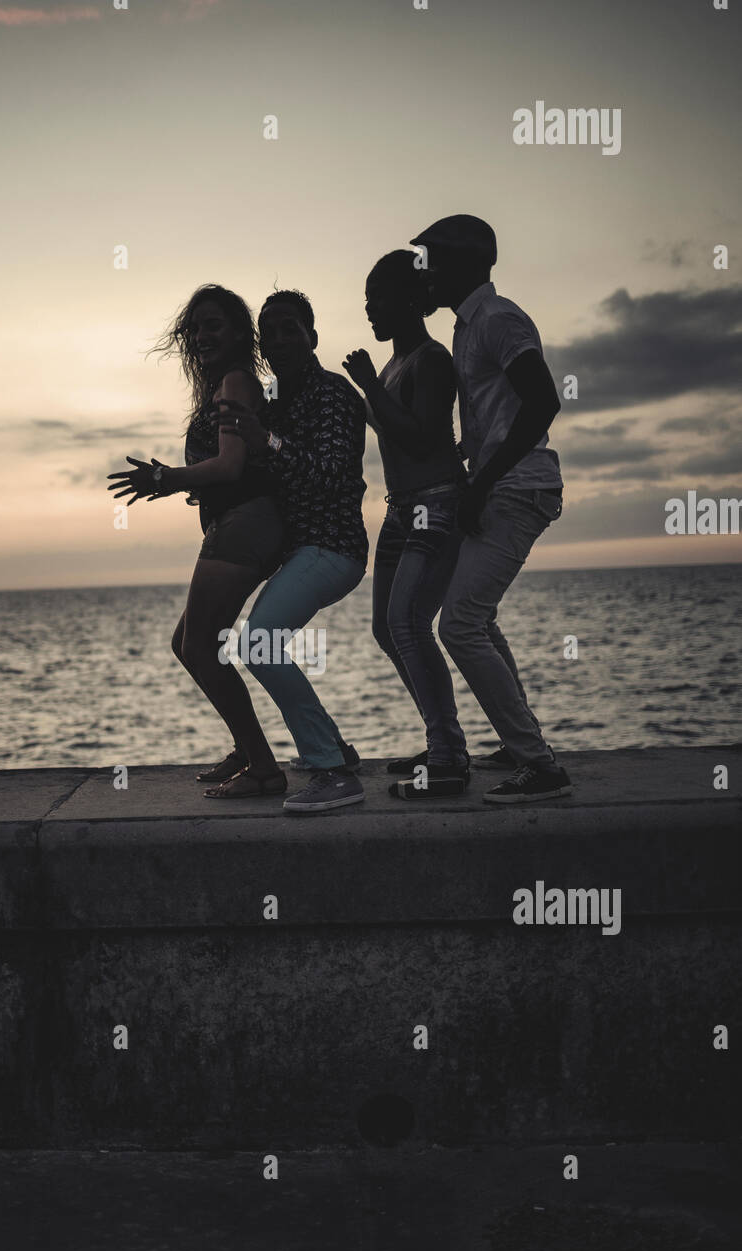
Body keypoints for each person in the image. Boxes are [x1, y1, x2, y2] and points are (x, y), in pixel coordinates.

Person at [409, 214, 572, 803]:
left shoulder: (498, 319)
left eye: (430, 261)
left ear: (463, 263)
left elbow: (543, 400)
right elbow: (497, 413)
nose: (423, 274)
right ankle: (517, 744)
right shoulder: (466, 326)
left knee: (460, 623)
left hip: (518, 489)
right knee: (478, 616)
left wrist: (484, 481)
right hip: (501, 485)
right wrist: (471, 462)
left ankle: (542, 766)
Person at [108, 285, 287, 796]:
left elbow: (231, 465)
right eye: (195, 327)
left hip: (246, 524)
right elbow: (229, 466)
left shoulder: (235, 382)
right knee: (188, 645)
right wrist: (194, 486)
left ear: (238, 333)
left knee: (199, 647)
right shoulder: (223, 385)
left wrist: (166, 479)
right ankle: (246, 747)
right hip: (238, 523)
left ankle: (264, 769)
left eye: (214, 325)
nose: (201, 335)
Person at [212, 290, 368, 813]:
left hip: (334, 547)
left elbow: (331, 474)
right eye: (269, 333)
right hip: (302, 551)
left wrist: (267, 443)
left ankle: (331, 772)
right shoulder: (278, 404)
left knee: (258, 643)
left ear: (313, 337)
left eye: (290, 329)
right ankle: (336, 751)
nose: (278, 340)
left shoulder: (335, 395)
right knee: (259, 643)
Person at [342, 250, 469, 799]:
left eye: (379, 297)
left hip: (436, 506)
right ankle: (441, 738)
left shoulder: (432, 360)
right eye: (367, 299)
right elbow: (391, 429)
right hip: (400, 510)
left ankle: (448, 758)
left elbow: (419, 436)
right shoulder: (393, 366)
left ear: (410, 301)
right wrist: (357, 395)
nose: (369, 308)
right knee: (385, 628)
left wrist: (370, 388)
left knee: (410, 623)